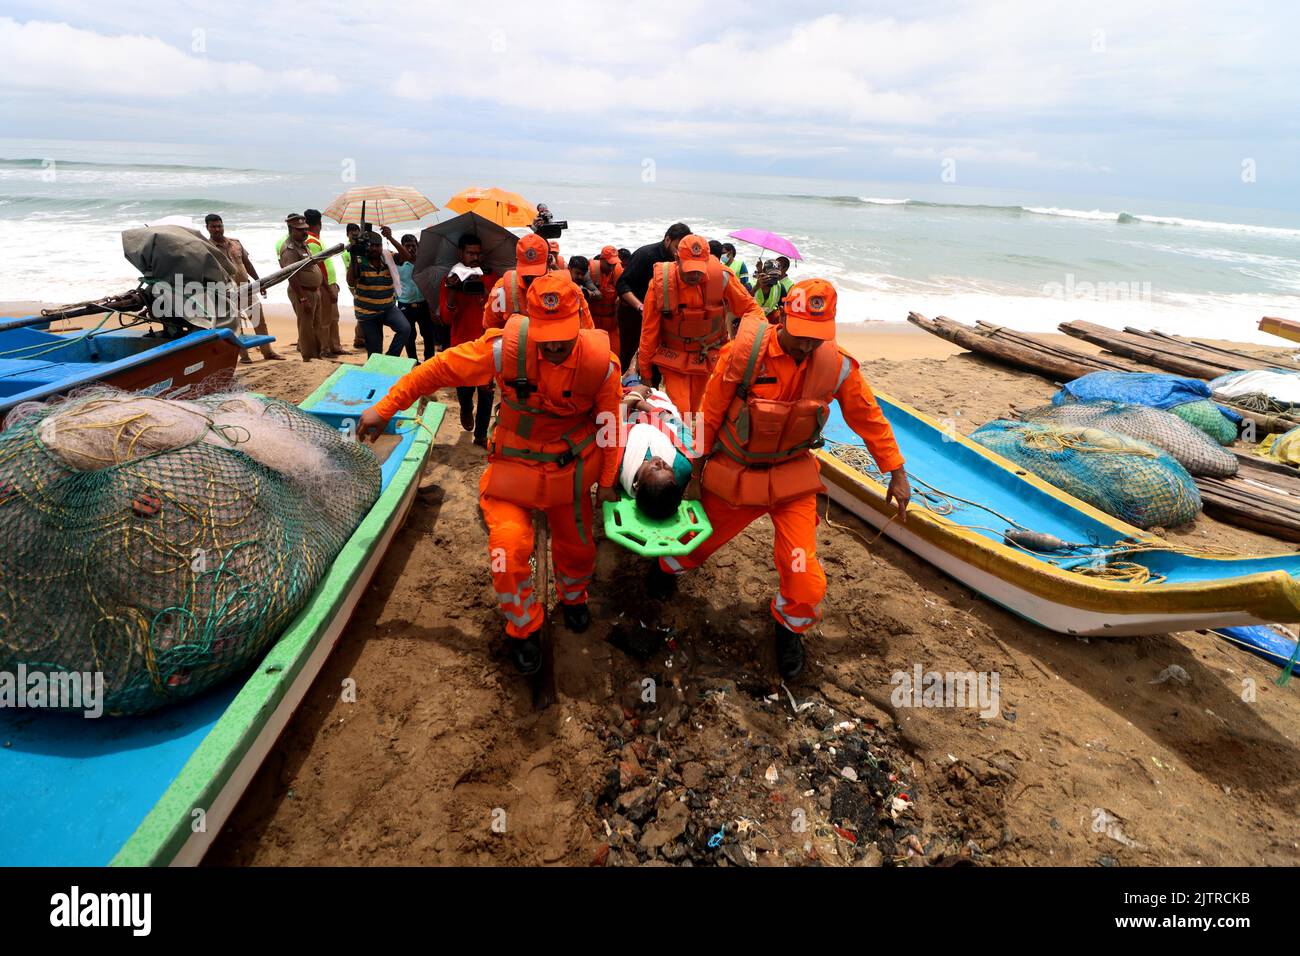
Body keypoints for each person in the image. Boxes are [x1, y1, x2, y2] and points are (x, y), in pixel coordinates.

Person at [356, 273, 622, 676]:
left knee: (579, 549)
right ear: (531, 322)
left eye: (563, 336)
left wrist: (608, 483)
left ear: (579, 325)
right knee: (507, 551)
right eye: (545, 335)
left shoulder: (601, 367)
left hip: (571, 472)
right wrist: (386, 407)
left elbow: (610, 426)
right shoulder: (504, 352)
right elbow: (438, 370)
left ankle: (573, 597)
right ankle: (524, 625)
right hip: (513, 469)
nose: (553, 345)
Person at [652, 279, 911, 680]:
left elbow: (868, 417)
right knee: (690, 547)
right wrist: (696, 473)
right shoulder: (743, 355)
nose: (808, 346)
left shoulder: (837, 365)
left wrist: (896, 471)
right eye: (802, 335)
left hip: (792, 482)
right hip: (735, 477)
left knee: (804, 575)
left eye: (817, 338)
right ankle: (664, 572)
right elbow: (710, 414)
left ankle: (788, 627)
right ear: (784, 316)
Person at [636, 233, 763, 414]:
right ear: (676, 259)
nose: (694, 274)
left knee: (704, 412)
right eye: (689, 268)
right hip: (674, 358)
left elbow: (752, 310)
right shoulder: (660, 284)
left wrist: (752, 346)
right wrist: (646, 374)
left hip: (711, 356)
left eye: (699, 268)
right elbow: (649, 331)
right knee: (680, 413)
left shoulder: (722, 277)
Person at [440, 234, 501, 446]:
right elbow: (446, 318)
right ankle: (466, 408)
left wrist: (483, 290)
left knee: (486, 391)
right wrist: (452, 291)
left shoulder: (491, 277)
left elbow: (498, 311)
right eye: (470, 253)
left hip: (486, 343)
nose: (475, 257)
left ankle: (481, 435)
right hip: (462, 344)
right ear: (461, 253)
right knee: (465, 390)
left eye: (478, 253)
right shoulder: (451, 279)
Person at [204, 213, 283, 362]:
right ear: (207, 228)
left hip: (247, 288)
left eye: (219, 226)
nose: (217, 229)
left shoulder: (236, 243)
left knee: (259, 320)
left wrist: (259, 282)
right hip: (227, 293)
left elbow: (247, 263)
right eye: (213, 227)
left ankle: (268, 352)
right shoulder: (207, 248)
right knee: (236, 325)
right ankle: (244, 356)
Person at [614, 223, 692, 373]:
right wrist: (640, 307)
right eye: (677, 247)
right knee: (628, 355)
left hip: (661, 315)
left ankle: (652, 388)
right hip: (633, 313)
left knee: (656, 357)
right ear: (668, 240)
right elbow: (622, 285)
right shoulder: (646, 255)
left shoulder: (681, 260)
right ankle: (621, 388)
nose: (679, 252)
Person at [617, 377, 696, 521]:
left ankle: (632, 375)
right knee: (650, 390)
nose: (660, 461)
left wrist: (635, 398)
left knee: (630, 384)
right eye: (667, 467)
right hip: (658, 409)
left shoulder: (617, 465)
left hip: (627, 406)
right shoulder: (682, 465)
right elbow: (680, 427)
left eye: (655, 468)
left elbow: (614, 423)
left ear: (636, 484)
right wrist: (646, 406)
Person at [484, 234, 594, 331]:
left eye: (537, 272)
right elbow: (489, 327)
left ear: (549, 261)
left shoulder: (570, 290)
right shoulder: (501, 290)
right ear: (517, 262)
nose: (531, 277)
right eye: (526, 271)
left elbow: (586, 331)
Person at [348, 227, 412, 356]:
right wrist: (353, 256)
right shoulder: (360, 260)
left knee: (405, 328)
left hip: (388, 308)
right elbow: (350, 282)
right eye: (371, 246)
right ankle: (377, 366)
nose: (375, 249)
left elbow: (407, 257)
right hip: (367, 313)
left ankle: (390, 357)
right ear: (366, 246)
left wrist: (390, 237)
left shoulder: (388, 257)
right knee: (375, 352)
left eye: (378, 246)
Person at [279, 213, 325, 361]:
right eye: (300, 230)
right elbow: (291, 275)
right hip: (303, 292)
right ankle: (308, 357)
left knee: (316, 325)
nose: (304, 232)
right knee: (306, 327)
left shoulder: (303, 244)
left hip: (313, 291)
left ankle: (317, 355)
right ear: (291, 229)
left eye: (305, 229)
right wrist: (302, 297)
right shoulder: (289, 249)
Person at [304, 208, 347, 357]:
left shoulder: (315, 239)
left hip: (330, 282)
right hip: (324, 284)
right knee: (325, 319)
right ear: (319, 223)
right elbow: (319, 268)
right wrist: (328, 288)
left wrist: (333, 283)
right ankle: (324, 349)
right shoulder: (312, 241)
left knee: (334, 317)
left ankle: (335, 346)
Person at [396, 233, 436, 362]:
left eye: (413, 245)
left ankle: (429, 362)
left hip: (423, 304)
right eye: (407, 246)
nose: (410, 249)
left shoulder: (423, 263)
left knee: (428, 335)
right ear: (402, 247)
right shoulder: (397, 263)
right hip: (405, 305)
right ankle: (413, 362)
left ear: (418, 246)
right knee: (409, 336)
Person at [587, 245, 623, 358]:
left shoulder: (618, 272)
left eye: (614, 264)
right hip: (593, 323)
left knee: (616, 355)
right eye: (609, 264)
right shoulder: (590, 272)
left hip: (611, 323)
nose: (612, 267)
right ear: (601, 260)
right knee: (594, 354)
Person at [340, 223, 366, 349]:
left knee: (363, 309)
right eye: (352, 233)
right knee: (361, 310)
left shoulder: (360, 246)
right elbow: (351, 269)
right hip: (354, 283)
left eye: (357, 233)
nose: (355, 235)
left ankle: (361, 337)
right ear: (347, 234)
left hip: (360, 281)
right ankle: (359, 338)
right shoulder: (347, 250)